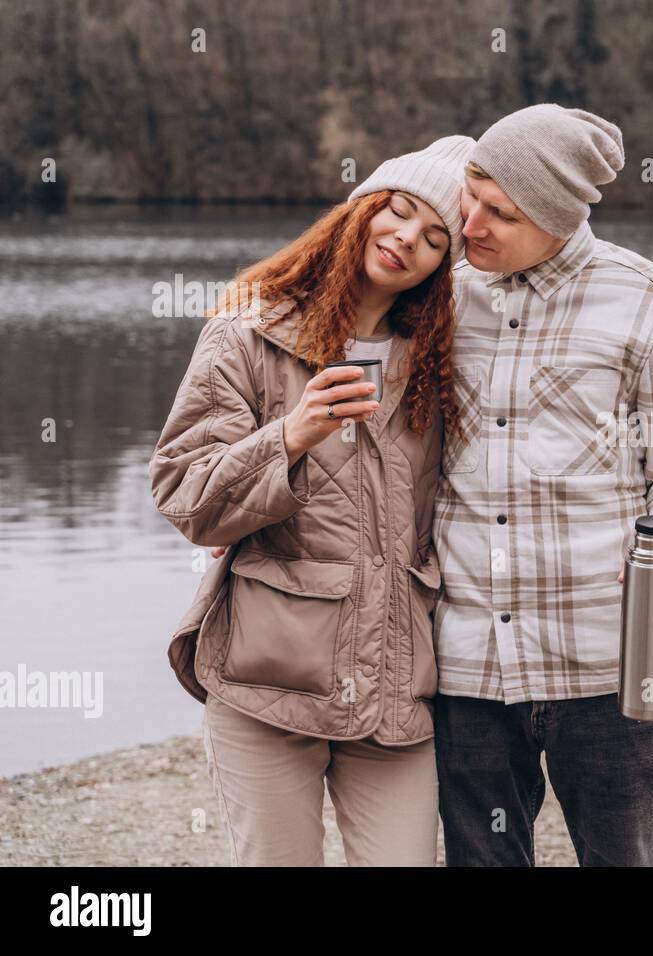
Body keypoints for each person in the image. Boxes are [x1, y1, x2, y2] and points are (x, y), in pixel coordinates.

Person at [149, 135, 474, 866]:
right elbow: (185, 495)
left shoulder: (441, 362)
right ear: (359, 210)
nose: (406, 241)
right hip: (268, 681)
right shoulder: (247, 331)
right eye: (398, 211)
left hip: (396, 694)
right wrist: (290, 436)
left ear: (446, 266)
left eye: (434, 238)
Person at [433, 104, 653, 866]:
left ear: (559, 219)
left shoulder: (648, 302)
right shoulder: (437, 299)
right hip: (467, 662)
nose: (472, 225)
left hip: (609, 663)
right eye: (472, 197)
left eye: (501, 213)